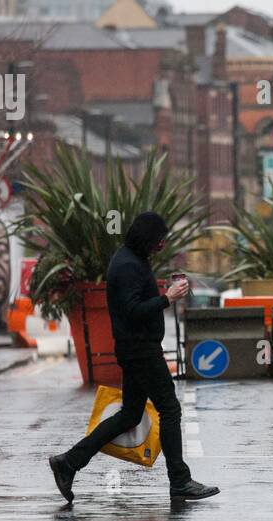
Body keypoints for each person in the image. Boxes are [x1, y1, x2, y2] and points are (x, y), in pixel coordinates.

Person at [48, 211, 219, 503]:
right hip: (140, 350)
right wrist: (168, 298)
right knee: (170, 409)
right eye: (159, 240)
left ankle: (69, 462)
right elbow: (132, 310)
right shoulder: (127, 265)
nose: (162, 246)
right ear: (147, 238)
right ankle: (180, 480)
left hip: (135, 348)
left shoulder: (132, 260)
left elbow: (137, 301)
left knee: (130, 414)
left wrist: (163, 293)